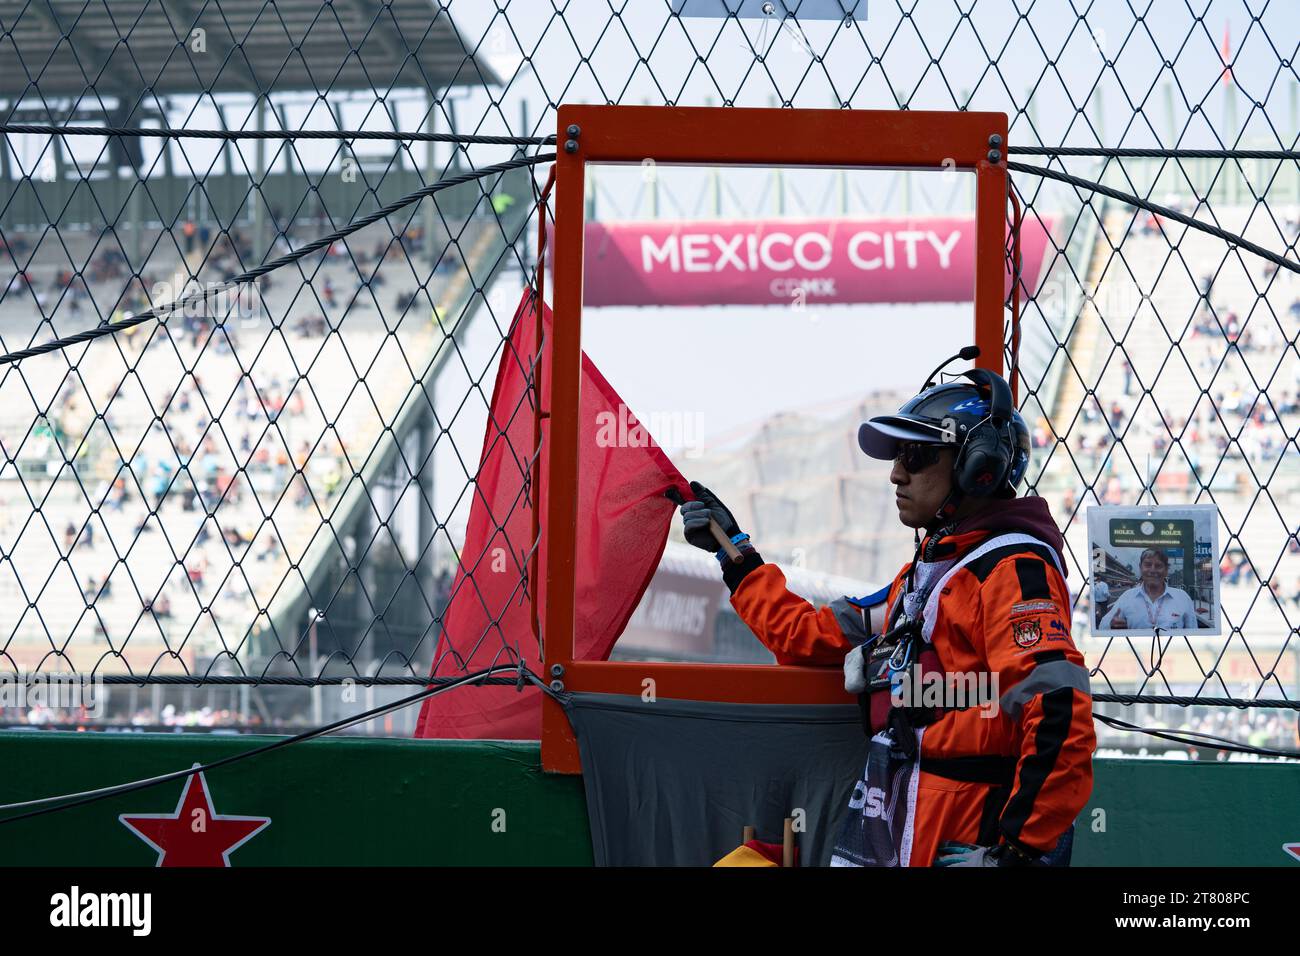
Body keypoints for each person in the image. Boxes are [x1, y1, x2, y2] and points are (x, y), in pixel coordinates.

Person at [678, 364, 1094, 867]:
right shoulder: (923, 576)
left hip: (966, 832)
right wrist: (737, 557)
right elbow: (806, 637)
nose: (897, 472)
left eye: (916, 455)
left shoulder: (1013, 569)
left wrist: (1016, 853)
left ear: (977, 466)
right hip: (905, 822)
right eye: (898, 455)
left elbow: (1058, 711)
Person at [1099, 548, 1197, 631]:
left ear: (1166, 570)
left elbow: (1194, 633)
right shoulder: (1127, 597)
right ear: (1141, 568)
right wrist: (1111, 625)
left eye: (1158, 566)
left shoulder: (1182, 598)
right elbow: (1102, 626)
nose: (1153, 570)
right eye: (1148, 565)